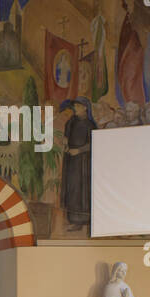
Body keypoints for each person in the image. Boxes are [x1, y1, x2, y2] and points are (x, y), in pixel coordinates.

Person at [59, 96, 96, 231]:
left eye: (78, 106)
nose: (75, 108)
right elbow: (66, 135)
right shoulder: (71, 122)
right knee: (72, 189)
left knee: (82, 190)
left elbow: (93, 143)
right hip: (71, 160)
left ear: (85, 107)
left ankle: (83, 220)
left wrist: (79, 150)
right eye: (74, 106)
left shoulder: (90, 125)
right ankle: (73, 220)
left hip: (84, 162)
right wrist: (65, 142)